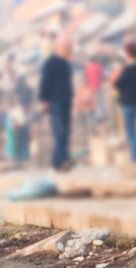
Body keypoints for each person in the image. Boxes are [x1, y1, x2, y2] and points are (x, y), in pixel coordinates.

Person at [38, 35, 73, 171]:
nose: (70, 50)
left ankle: (56, 162)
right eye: (68, 48)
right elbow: (45, 83)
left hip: (65, 101)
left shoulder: (66, 64)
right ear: (60, 48)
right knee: (60, 131)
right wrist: (43, 100)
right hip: (54, 102)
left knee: (65, 131)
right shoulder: (50, 62)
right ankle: (63, 160)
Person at [114, 40, 136, 163]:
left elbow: (118, 84)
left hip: (127, 102)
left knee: (131, 132)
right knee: (134, 130)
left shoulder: (128, 69)